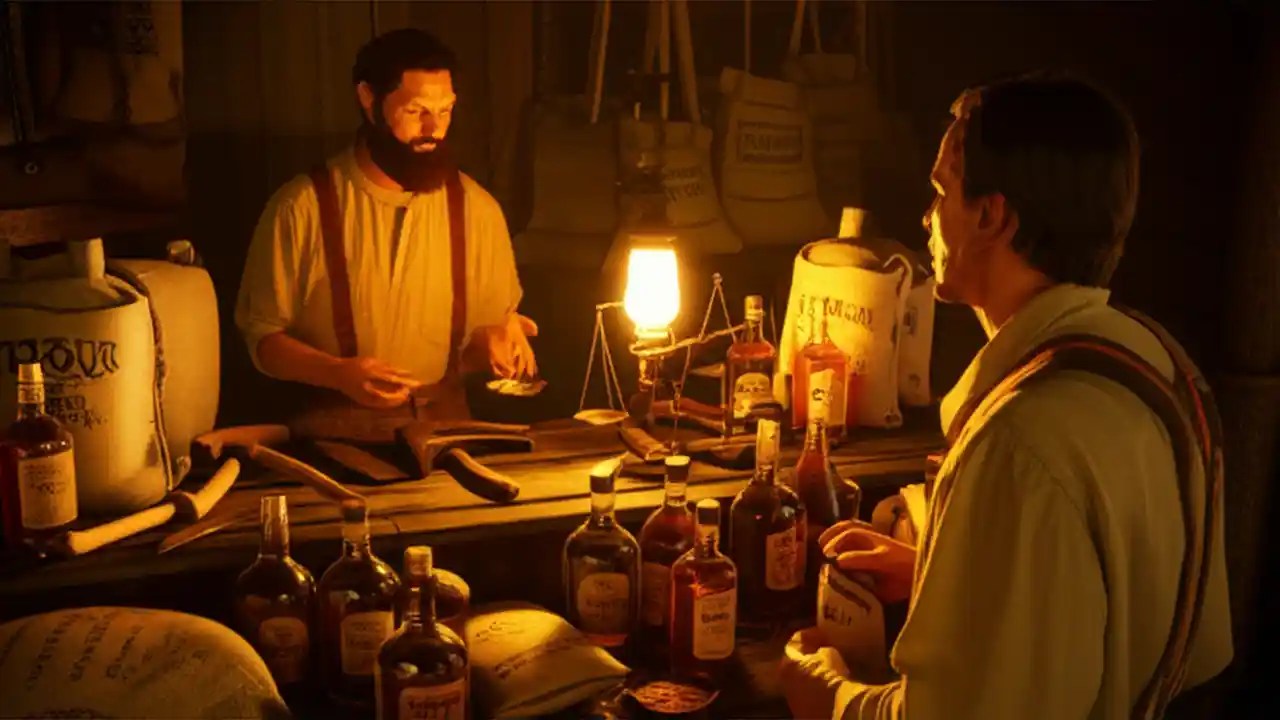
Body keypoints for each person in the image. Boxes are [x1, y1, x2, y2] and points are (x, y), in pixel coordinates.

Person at [780, 73, 1233, 718]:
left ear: (992, 216)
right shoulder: (1163, 368)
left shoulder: (1020, 441)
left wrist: (825, 695)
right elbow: (1119, 610)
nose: (927, 217)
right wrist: (941, 575)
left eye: (941, 192)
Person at [235, 29, 536, 439]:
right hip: (335, 432)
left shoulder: (476, 209)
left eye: (445, 111)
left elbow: (483, 337)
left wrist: (500, 341)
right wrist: (338, 373)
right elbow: (263, 339)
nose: (434, 128)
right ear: (368, 99)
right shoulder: (302, 207)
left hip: (446, 429)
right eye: (416, 112)